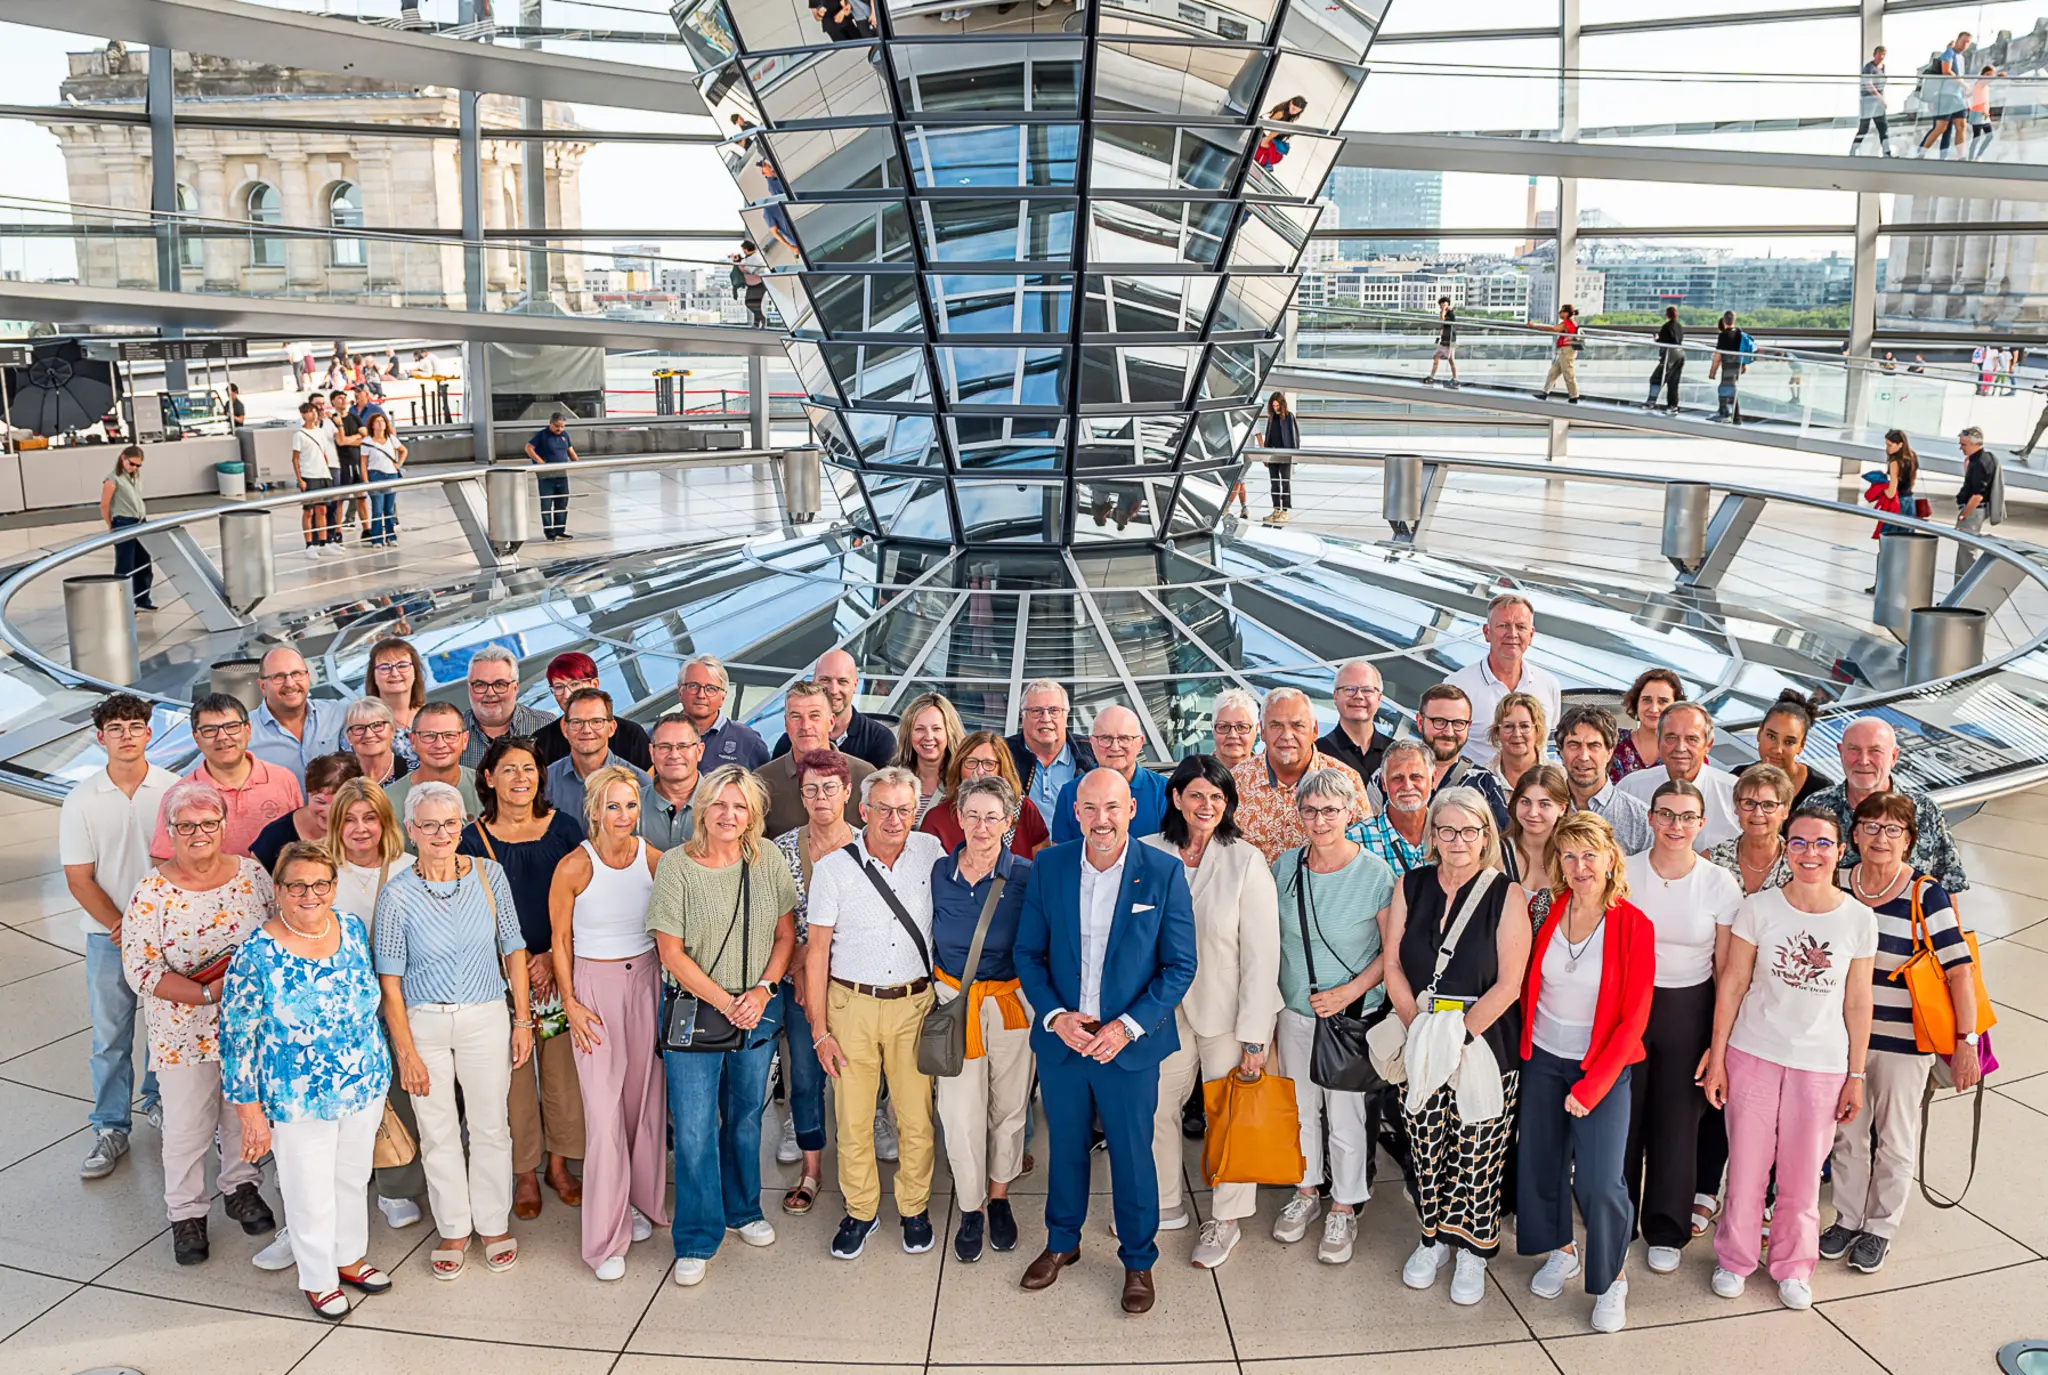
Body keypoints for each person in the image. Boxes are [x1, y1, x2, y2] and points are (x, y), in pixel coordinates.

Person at [1015, 768, 1197, 1315]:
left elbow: (1179, 964)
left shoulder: (1162, 872)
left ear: (1132, 810)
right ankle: (1062, 1243)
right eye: (1090, 808)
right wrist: (1054, 1018)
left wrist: (1126, 1027)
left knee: (1133, 1155)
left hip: (1129, 1046)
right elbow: (1029, 954)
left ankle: (1138, 1259)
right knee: (1064, 1147)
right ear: (1075, 812)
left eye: (1112, 808)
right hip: (1065, 1042)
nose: (1101, 820)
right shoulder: (1049, 866)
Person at [1702, 808, 1876, 1310]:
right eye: (1798, 843)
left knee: (1801, 1176)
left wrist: (1855, 1074)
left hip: (1821, 1065)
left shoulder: (1858, 919)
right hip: (1753, 1054)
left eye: (1822, 844)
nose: (1810, 854)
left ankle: (1794, 1266)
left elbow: (1857, 1001)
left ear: (1841, 852)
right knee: (1747, 1169)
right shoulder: (1758, 908)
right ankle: (1734, 1258)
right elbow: (1732, 984)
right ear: (1786, 849)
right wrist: (1717, 1057)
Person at [222, 842, 394, 1318]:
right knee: (308, 1189)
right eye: (296, 885)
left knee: (352, 1177)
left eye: (320, 884)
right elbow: (236, 1041)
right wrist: (249, 1112)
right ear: (277, 890)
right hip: (297, 1097)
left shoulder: (352, 928)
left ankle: (349, 1258)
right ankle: (318, 1279)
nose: (309, 894)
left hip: (363, 1083)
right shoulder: (256, 955)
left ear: (333, 887)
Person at [375, 782, 532, 1280]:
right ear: (410, 830)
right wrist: (406, 1051)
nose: (441, 834)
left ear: (462, 823)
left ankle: (492, 1222)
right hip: (424, 1022)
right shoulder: (396, 893)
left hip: (487, 1014)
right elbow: (390, 981)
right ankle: (453, 1226)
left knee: (490, 1125)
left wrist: (522, 1019)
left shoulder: (490, 874)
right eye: (429, 825)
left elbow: (514, 948)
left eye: (450, 823)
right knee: (437, 1129)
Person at [1821, 791, 1980, 1274]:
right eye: (1870, 826)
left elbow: (1958, 970)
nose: (1880, 838)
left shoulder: (1924, 893)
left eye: (1893, 830)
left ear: (1909, 840)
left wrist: (1966, 1043)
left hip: (1905, 1041)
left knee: (1894, 1137)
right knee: (1847, 1136)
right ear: (1854, 833)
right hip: (1844, 1038)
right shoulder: (1837, 882)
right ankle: (1847, 1218)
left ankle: (1880, 1228)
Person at [649, 766, 796, 1286]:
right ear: (701, 810)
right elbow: (670, 952)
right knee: (692, 1130)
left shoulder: (768, 860)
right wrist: (726, 1001)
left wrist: (760, 993)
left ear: (753, 814)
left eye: (740, 806)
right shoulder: (675, 867)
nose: (729, 815)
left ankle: (744, 1209)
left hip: (756, 1012)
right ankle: (695, 1236)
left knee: (745, 1120)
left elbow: (786, 937)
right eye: (719, 805)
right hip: (697, 1014)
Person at [1384, 787, 1532, 1305]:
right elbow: (1393, 964)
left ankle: (1472, 1247)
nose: (1457, 840)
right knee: (1426, 1143)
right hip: (1422, 1030)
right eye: (1445, 830)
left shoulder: (1505, 894)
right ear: (1433, 835)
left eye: (1469, 831)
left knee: (1479, 1146)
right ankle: (1433, 1238)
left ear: (1486, 836)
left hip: (1484, 1040)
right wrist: (1418, 1024)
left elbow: (1510, 983)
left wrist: (1461, 1035)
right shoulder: (1411, 884)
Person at [125, 778, 279, 1264]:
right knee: (188, 1125)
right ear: (169, 830)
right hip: (181, 1030)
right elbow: (141, 968)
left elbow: (276, 933)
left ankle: (241, 1187)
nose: (198, 833)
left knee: (240, 1113)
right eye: (185, 825)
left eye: (208, 823)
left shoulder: (252, 875)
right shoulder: (151, 891)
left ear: (223, 825)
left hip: (247, 1026)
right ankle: (186, 1214)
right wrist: (208, 993)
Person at [1137, 757, 1280, 1265]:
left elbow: (1262, 955)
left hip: (1226, 1013)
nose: (1207, 806)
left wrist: (1255, 1035)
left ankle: (1227, 1220)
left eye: (1218, 798)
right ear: (1176, 798)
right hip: (1159, 1010)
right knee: (1153, 1109)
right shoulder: (1146, 854)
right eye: (1197, 795)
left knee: (1229, 1116)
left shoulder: (1246, 860)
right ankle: (1166, 1203)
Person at [1516, 811, 1652, 1334]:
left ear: (1610, 858)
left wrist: (1592, 1086)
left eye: (1589, 854)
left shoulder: (1633, 924)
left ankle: (1612, 1276)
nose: (1579, 866)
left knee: (1599, 1182)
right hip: (1544, 1057)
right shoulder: (1547, 908)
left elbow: (1634, 1019)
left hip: (1602, 1067)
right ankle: (1562, 1251)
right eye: (1569, 855)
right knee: (1541, 1163)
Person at [805, 768, 948, 1260]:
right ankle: (861, 1210)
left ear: (916, 812)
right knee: (854, 1118)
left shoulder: (931, 853)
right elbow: (816, 951)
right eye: (883, 808)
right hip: (851, 1007)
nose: (894, 818)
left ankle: (914, 1208)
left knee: (915, 1118)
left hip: (913, 1005)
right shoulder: (833, 868)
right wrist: (820, 1031)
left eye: (903, 809)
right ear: (862, 811)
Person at [459, 736, 587, 1219]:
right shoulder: (469, 840)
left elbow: (588, 898)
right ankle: (526, 1172)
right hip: (497, 978)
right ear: (488, 778)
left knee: (560, 1072)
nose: (521, 778)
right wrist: (515, 965)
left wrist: (552, 957)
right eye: (509, 770)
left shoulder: (565, 829)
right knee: (512, 1074)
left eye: (529, 769)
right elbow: (463, 912)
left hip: (558, 973)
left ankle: (559, 1164)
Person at [549, 765, 668, 1281]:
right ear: (593, 810)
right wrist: (571, 1004)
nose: (623, 815)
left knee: (644, 1102)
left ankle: (642, 1203)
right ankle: (604, 1238)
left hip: (646, 982)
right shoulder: (574, 866)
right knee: (603, 1112)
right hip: (593, 990)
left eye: (631, 805)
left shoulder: (655, 859)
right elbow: (559, 943)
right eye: (613, 806)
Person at [1269, 767, 1389, 1267]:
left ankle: (1344, 1204)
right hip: (1294, 1009)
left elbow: (1392, 950)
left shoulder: (1375, 873)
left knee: (1345, 1115)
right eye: (1310, 811)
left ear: (1350, 813)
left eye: (1330, 811)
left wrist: (1352, 991)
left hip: (1348, 1016)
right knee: (1300, 1109)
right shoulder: (1284, 866)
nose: (1320, 821)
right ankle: (1306, 1191)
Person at [1621, 780, 1742, 1276]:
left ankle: (1667, 1226)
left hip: (1689, 1007)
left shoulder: (1719, 884)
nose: (1676, 825)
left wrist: (1718, 1045)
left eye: (1687, 816)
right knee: (1623, 1118)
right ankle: (1619, 1213)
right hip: (1629, 1003)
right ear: (1650, 818)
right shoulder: (1623, 874)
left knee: (1677, 1122)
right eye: (1666, 815)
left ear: (1700, 823)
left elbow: (1727, 972)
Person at [63, 693, 176, 1181]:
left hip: (169, 934)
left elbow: (184, 863)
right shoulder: (81, 799)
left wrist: (150, 926)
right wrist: (124, 926)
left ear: (149, 733)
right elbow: (79, 877)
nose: (126, 734)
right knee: (110, 1037)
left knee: (165, 1028)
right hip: (106, 938)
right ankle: (110, 1126)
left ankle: (159, 1102)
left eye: (135, 726)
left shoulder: (173, 790)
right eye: (116, 728)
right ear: (100, 737)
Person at [932, 775, 1040, 1263]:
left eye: (991, 816)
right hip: (954, 1004)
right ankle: (970, 1206)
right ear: (958, 818)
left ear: (1008, 821)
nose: (981, 826)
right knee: (958, 1114)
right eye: (972, 815)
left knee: (1010, 1109)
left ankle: (999, 1197)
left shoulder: (1026, 877)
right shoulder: (936, 872)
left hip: (1011, 1004)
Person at [324, 778, 423, 1228]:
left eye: (369, 818)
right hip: (343, 1010)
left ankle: (396, 1186)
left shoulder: (411, 867)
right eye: (349, 820)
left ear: (386, 821)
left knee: (402, 1094)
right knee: (353, 1098)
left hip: (404, 1001)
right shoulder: (322, 873)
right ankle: (351, 1175)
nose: (360, 829)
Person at [769, 748, 857, 1212]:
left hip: (853, 984)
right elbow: (774, 926)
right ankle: (811, 1166)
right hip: (797, 990)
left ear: (847, 792)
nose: (820, 797)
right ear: (800, 795)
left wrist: (810, 965)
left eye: (829, 788)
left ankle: (857, 1167)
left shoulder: (866, 846)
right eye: (811, 789)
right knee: (803, 1074)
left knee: (858, 1076)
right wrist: (799, 971)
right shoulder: (781, 850)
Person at [1808, 716, 1966, 892]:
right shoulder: (1814, 809)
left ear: (1894, 756)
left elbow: (1948, 886)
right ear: (1840, 752)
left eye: (1875, 751)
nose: (1863, 760)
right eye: (1854, 749)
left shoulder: (1925, 811)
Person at [153, 693, 306, 861]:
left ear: (248, 730)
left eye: (232, 726)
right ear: (196, 738)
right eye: (210, 730)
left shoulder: (284, 780)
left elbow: (302, 840)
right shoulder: (179, 795)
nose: (223, 737)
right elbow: (163, 859)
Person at [1230, 687, 1365, 862]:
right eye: (1276, 725)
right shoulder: (1235, 782)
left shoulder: (1348, 780)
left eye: (1297, 725)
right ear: (1262, 731)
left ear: (1315, 730)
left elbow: (1362, 852)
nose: (1287, 735)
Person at [1446, 594, 1561, 768]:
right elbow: (1444, 749)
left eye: (1521, 627)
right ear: (1486, 632)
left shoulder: (1548, 685)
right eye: (1503, 626)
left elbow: (1550, 745)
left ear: (1531, 635)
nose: (1512, 634)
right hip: (1476, 790)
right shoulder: (1457, 686)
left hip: (1536, 788)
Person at [1616, 703, 1740, 847]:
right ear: (1658, 740)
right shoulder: (1631, 788)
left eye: (1691, 739)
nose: (1680, 747)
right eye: (1671, 737)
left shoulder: (1734, 792)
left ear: (1708, 745)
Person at [761, 681, 875, 836]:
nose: (805, 725)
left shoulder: (865, 776)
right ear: (786, 724)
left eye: (814, 716)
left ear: (831, 722)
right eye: (795, 716)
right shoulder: (762, 781)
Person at [921, 728, 1052, 858]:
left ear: (1002, 769)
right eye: (971, 762)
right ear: (959, 766)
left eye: (989, 763)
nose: (979, 771)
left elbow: (1043, 867)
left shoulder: (1025, 810)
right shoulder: (936, 819)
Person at [1049, 704, 1169, 844]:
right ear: (1092, 742)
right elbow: (1060, 855)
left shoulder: (1164, 791)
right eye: (1105, 738)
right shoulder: (1070, 792)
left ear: (1140, 742)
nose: (1115, 747)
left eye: (1124, 738)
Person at [1554, 705, 1653, 856]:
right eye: (1574, 745)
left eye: (1594, 746)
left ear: (1609, 752)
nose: (1583, 756)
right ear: (1560, 752)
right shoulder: (1542, 812)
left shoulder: (1640, 820)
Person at [771, 648, 895, 768]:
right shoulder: (790, 742)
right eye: (825, 680)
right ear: (814, 681)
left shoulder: (880, 740)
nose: (833, 690)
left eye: (842, 681)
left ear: (855, 685)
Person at [545, 687, 652, 822]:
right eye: (577, 722)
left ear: (612, 728)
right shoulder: (546, 781)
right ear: (565, 729)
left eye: (596, 722)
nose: (586, 730)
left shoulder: (640, 782)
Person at [532, 652, 652, 771]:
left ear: (594, 684)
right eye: (558, 687)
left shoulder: (631, 735)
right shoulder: (541, 742)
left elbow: (647, 786)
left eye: (574, 684)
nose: (567, 695)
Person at [249, 647, 350, 785]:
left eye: (297, 674)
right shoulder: (244, 734)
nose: (290, 683)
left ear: (308, 678)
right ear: (262, 686)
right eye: (278, 677)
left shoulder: (337, 713)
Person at [250, 753, 360, 873]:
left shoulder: (367, 832)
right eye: (320, 802)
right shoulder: (274, 836)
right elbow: (256, 884)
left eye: (339, 804)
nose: (329, 813)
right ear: (308, 794)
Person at [1007, 679, 1100, 818]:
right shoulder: (1002, 753)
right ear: (1022, 715)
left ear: (1066, 715)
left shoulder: (1093, 751)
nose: (1045, 718)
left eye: (1054, 710)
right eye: (1036, 710)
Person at [460, 645, 556, 768]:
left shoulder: (546, 725)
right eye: (480, 684)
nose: (490, 693)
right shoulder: (450, 733)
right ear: (469, 688)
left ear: (515, 687)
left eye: (500, 684)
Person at [386, 701, 482, 823]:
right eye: (429, 736)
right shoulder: (387, 802)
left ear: (465, 740)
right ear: (413, 741)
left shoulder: (489, 790)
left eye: (449, 735)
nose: (440, 744)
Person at [1707, 765, 1796, 896]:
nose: (1758, 813)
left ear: (1785, 811)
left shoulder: (1798, 865)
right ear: (1737, 807)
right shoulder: (1711, 861)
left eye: (1769, 805)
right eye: (1749, 803)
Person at [677, 655, 770, 771]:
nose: (701, 695)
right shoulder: (657, 735)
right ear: (680, 692)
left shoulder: (748, 741)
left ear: (723, 696)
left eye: (711, 688)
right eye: (693, 686)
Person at [1356, 740, 1433, 876]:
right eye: (1397, 778)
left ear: (1433, 779)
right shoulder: (1355, 841)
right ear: (1383, 783)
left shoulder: (1450, 835)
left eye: (1416, 777)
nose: (1408, 786)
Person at [1742, 690, 1825, 811]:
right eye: (1771, 736)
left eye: (1789, 742)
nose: (1777, 749)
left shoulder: (1821, 792)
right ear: (1760, 733)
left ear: (1801, 746)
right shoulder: (1738, 777)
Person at [894, 691, 965, 824]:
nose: (928, 737)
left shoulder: (963, 784)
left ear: (950, 732)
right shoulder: (892, 781)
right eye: (919, 729)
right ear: (908, 734)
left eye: (936, 729)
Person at [100, 444, 155, 610]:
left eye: (138, 465)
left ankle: (143, 599)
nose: (134, 468)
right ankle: (123, 603)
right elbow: (104, 505)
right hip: (124, 522)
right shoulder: (112, 479)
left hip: (140, 521)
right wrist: (111, 525)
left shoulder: (135, 477)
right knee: (125, 564)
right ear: (123, 458)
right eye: (132, 464)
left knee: (143, 562)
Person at [1318, 660, 1391, 783]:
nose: (1358, 696)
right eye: (1349, 689)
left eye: (1367, 690)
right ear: (1335, 696)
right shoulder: (1317, 753)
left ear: (1379, 698)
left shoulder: (1396, 753)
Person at [1504, 763, 1570, 894]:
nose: (1533, 812)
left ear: (1562, 808)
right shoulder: (1497, 853)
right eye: (1525, 802)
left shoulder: (1573, 855)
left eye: (1544, 804)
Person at [362, 637, 427, 768]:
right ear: (373, 675)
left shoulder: (433, 716)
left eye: (402, 665)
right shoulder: (361, 725)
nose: (395, 673)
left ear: (415, 672)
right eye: (385, 667)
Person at [639, 714, 703, 848]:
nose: (674, 755)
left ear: (699, 751)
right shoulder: (631, 806)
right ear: (652, 752)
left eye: (683, 746)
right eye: (664, 747)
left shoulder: (724, 803)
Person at [1611, 668, 1682, 782]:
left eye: (1663, 701)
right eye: (1647, 700)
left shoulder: (1686, 749)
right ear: (1636, 703)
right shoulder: (1611, 742)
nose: (1654, 709)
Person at [292, 400, 338, 555]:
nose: (313, 414)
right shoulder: (299, 435)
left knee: (322, 509)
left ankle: (324, 542)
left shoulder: (319, 431)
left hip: (323, 474)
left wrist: (327, 470)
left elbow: (323, 452)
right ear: (304, 414)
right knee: (308, 511)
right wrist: (300, 479)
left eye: (314, 411)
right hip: (309, 475)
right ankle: (309, 544)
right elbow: (295, 458)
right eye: (310, 411)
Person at [1867, 431, 1921, 563]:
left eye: (1890, 445)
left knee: (1888, 543)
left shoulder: (1895, 463)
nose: (1887, 448)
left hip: (1897, 504)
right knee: (1905, 543)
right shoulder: (1912, 456)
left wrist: (1881, 488)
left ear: (1900, 444)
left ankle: (1884, 580)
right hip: (1909, 502)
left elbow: (1891, 492)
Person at [1952, 427, 1999, 578]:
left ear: (1974, 444)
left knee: (1966, 554)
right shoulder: (1983, 458)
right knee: (1965, 553)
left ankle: (1962, 591)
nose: (1961, 448)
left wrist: (1963, 515)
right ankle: (1960, 591)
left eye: (1964, 444)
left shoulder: (1980, 463)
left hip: (1973, 511)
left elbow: (1978, 495)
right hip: (1975, 509)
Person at [1917, 32, 1973, 159]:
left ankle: (1962, 156)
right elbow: (1946, 71)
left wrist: (1965, 95)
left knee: (1961, 126)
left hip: (1958, 98)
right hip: (1945, 96)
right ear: (1957, 40)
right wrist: (1964, 85)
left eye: (1968, 42)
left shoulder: (1961, 58)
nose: (1965, 44)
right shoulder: (1949, 53)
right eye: (1963, 41)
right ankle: (1921, 153)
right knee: (1940, 127)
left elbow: (1960, 77)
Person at [525, 412, 580, 541]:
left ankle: (560, 530)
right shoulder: (542, 435)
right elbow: (528, 448)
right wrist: (540, 462)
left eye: (562, 426)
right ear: (550, 423)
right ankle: (549, 532)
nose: (559, 429)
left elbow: (570, 450)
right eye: (556, 426)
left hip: (561, 474)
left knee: (562, 503)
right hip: (546, 475)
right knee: (546, 503)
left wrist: (577, 462)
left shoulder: (564, 435)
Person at [359, 412, 406, 546]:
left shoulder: (391, 438)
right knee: (377, 509)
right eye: (377, 421)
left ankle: (391, 536)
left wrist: (398, 464)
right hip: (375, 475)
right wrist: (366, 480)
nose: (381, 424)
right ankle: (377, 538)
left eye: (383, 421)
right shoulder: (367, 442)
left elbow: (403, 450)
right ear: (372, 425)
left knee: (389, 508)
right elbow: (363, 463)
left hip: (391, 475)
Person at [1486, 691, 1547, 793]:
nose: (1517, 734)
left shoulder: (1559, 775)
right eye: (1508, 726)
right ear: (1497, 732)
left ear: (1538, 731)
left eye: (1524, 726)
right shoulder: (1481, 778)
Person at [341, 699, 409, 789]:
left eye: (377, 725)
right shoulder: (337, 778)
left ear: (392, 730)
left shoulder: (415, 774)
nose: (369, 735)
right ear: (348, 737)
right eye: (359, 728)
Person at [1261, 392, 1299, 524]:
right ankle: (1276, 509)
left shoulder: (1289, 417)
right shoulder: (1271, 418)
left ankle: (1285, 511)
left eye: (1277, 405)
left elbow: (1294, 436)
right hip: (1272, 455)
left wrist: (1294, 456)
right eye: (1273, 405)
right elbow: (1268, 436)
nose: (1276, 407)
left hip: (1285, 455)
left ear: (1282, 404)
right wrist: (1265, 455)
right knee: (1274, 483)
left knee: (1285, 482)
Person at [1209, 687, 1262, 770]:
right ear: (1212, 728)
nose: (1233, 735)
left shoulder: (1275, 778)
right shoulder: (1190, 778)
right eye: (1223, 727)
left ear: (1256, 729)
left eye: (1241, 727)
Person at [1537, 304, 1581, 403]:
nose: (1559, 313)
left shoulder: (1567, 323)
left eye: (1561, 311)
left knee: (1568, 374)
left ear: (1566, 313)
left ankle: (1574, 397)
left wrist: (1535, 326)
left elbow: (1553, 329)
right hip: (1563, 351)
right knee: (1553, 372)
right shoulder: (1570, 322)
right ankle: (1545, 393)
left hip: (1567, 351)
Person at [1852, 46, 1891, 155]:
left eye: (1883, 55)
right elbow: (1868, 84)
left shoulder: (1883, 67)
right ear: (1875, 54)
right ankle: (1853, 150)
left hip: (1878, 103)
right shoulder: (1869, 67)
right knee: (1864, 127)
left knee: (1883, 127)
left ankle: (1887, 152)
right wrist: (1879, 98)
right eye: (1880, 54)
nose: (1881, 57)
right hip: (1869, 101)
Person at [1645, 307, 1684, 411]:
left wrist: (1656, 339)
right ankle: (1673, 406)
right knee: (1673, 382)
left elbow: (1662, 341)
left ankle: (1651, 402)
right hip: (1680, 355)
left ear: (1667, 314)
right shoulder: (1679, 326)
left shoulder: (1666, 327)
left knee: (1655, 379)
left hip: (1669, 356)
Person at [1708, 311, 1744, 422]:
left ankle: (1725, 414)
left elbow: (1718, 354)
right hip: (1737, 364)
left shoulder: (1723, 335)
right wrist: (1744, 365)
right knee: (1731, 388)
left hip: (1728, 364)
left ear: (1724, 320)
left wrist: (1713, 370)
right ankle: (1735, 416)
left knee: (1725, 389)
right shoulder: (1739, 333)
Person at [1427, 297, 1459, 387]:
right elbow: (1442, 324)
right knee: (1436, 357)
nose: (1442, 307)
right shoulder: (1443, 312)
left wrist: (1443, 312)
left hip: (1450, 340)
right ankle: (1432, 376)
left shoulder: (1451, 313)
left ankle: (1455, 378)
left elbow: (1443, 320)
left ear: (1448, 304)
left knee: (1451, 360)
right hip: (1444, 339)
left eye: (1444, 305)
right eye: (1441, 305)